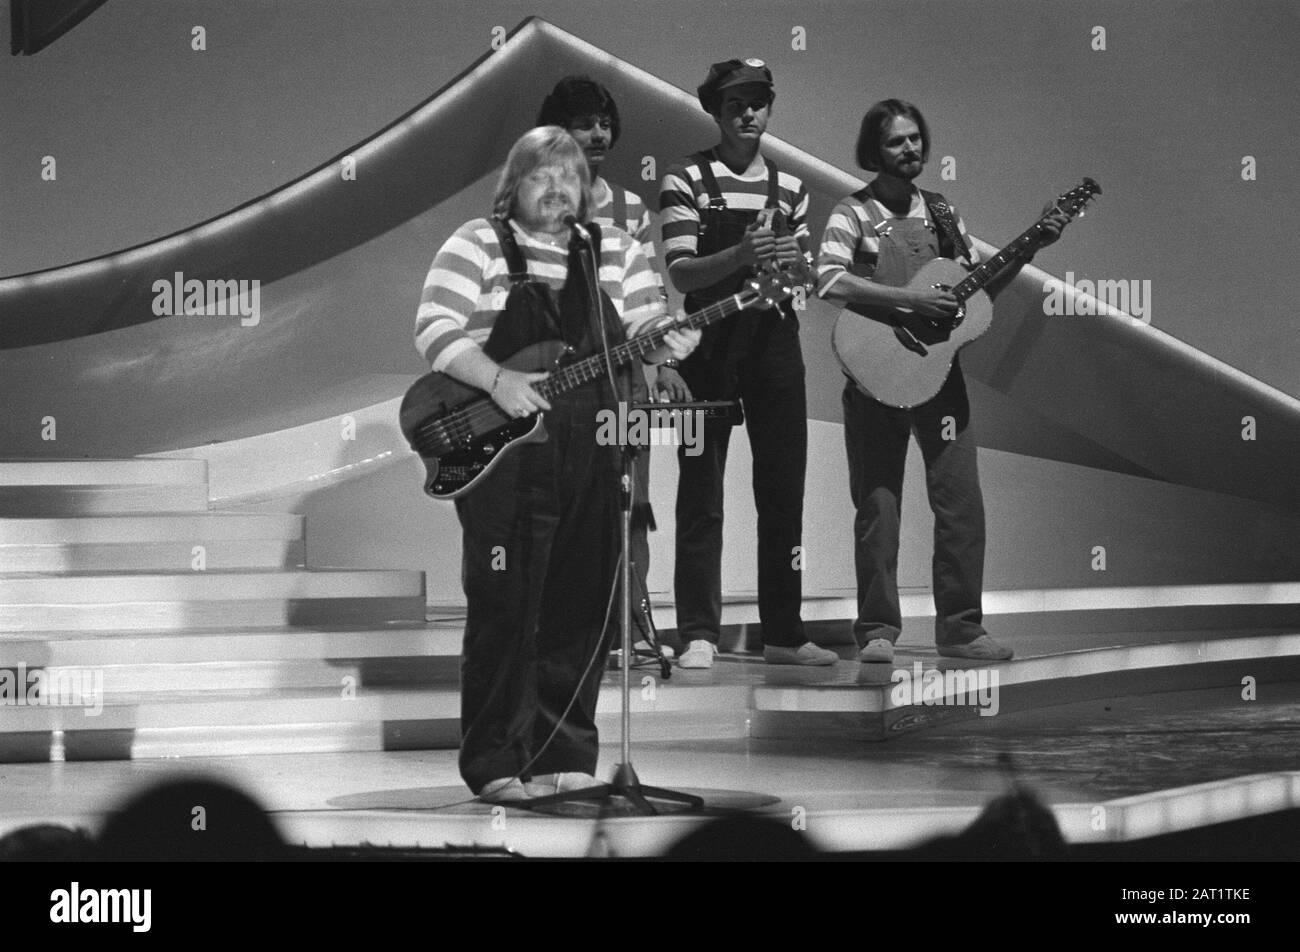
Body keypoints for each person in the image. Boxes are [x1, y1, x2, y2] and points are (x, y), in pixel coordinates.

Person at [414, 126, 699, 803]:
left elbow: (646, 332)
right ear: (513, 186)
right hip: (506, 453)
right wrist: (497, 380)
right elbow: (434, 327)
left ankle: (563, 755)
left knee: (582, 604)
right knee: (507, 607)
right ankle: (496, 764)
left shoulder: (616, 250)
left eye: (569, 176)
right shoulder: (477, 242)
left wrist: (671, 344)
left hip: (596, 447)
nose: (556, 187)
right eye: (541, 174)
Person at [815, 99, 1067, 664]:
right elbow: (827, 279)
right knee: (878, 509)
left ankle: (962, 630)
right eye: (896, 141)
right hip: (874, 379)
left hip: (940, 378)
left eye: (915, 139)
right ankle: (877, 631)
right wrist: (908, 299)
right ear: (873, 151)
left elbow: (974, 291)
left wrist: (1031, 248)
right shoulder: (852, 213)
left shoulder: (944, 214)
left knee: (962, 505)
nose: (910, 149)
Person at [658, 59, 836, 668]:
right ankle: (698, 633)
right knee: (700, 492)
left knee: (783, 491)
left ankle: (784, 633)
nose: (748, 113)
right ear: (714, 109)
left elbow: (805, 278)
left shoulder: (792, 188)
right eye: (734, 103)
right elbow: (681, 272)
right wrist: (739, 254)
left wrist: (792, 264)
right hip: (705, 347)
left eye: (758, 101)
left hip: (774, 344)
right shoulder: (686, 177)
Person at [536, 76, 673, 658]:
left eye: (604, 123)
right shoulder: (534, 200)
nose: (598, 134)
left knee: (630, 503)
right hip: (559, 378)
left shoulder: (631, 208)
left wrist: (661, 362)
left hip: (624, 378)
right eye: (584, 123)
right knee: (561, 502)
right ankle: (564, 631)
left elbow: (649, 294)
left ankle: (630, 629)